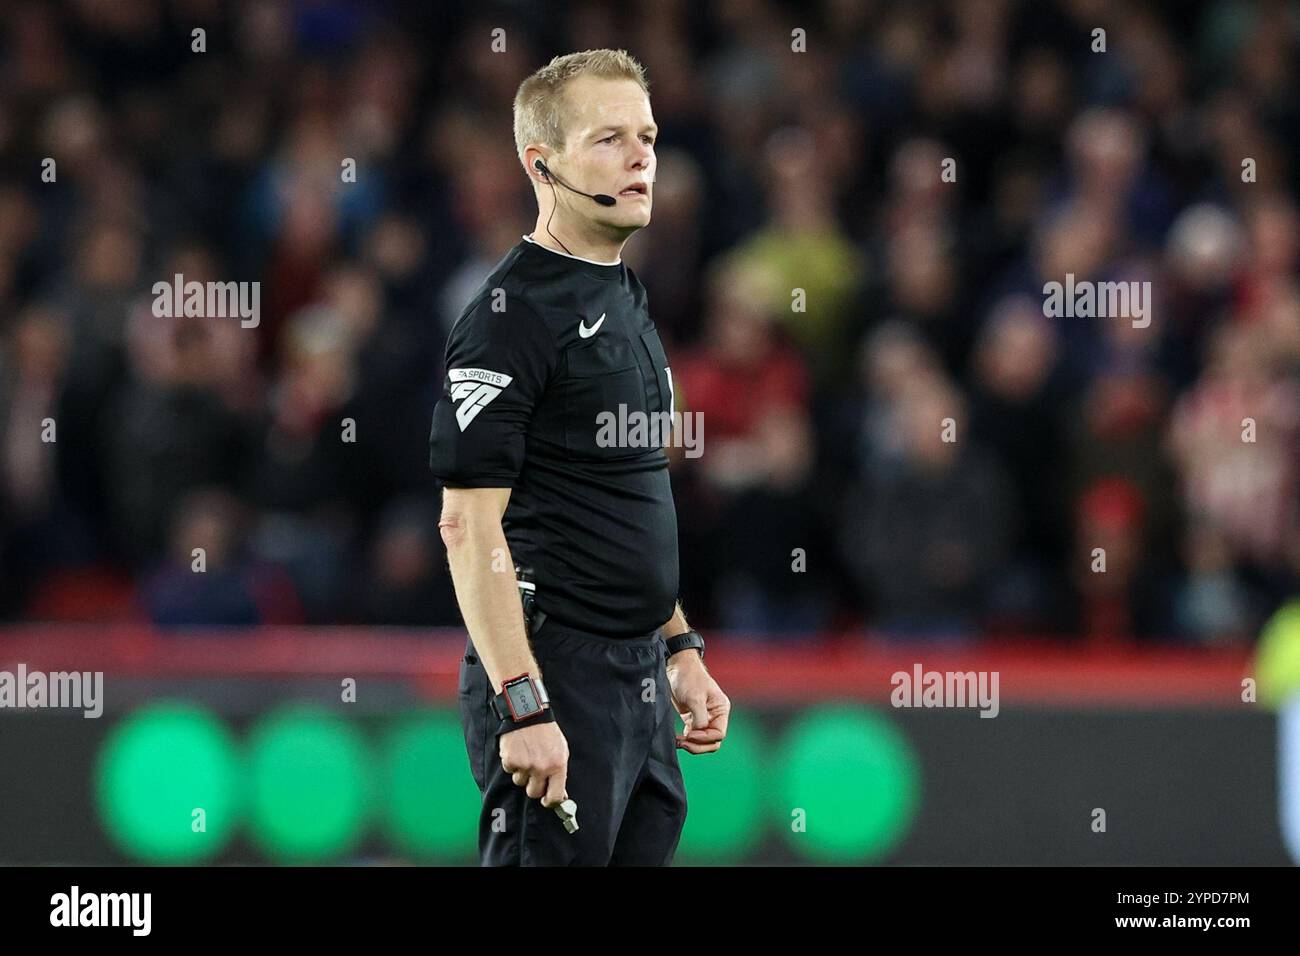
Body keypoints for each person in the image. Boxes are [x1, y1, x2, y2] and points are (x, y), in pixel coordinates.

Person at [427, 49, 730, 866]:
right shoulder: (507, 316)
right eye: (610, 140)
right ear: (544, 165)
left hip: (637, 677)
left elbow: (623, 495)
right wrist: (523, 706)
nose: (642, 159)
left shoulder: (624, 294)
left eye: (649, 136)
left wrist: (677, 646)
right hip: (556, 672)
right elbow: (466, 523)